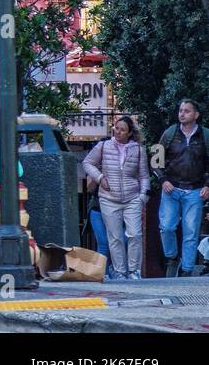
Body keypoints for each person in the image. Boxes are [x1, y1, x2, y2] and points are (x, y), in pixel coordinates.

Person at [83, 115, 148, 279]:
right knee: (115, 237)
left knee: (135, 234)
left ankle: (134, 271)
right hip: (108, 198)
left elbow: (144, 176)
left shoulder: (138, 149)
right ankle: (119, 271)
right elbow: (87, 163)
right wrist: (100, 178)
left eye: (122, 130)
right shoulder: (103, 146)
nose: (118, 132)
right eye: (116, 128)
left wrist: (142, 198)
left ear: (130, 133)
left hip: (132, 198)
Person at [154, 99, 209, 277]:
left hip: (195, 190)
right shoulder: (169, 133)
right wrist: (163, 180)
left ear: (196, 115)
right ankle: (172, 257)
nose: (182, 114)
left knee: (191, 232)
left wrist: (208, 185)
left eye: (186, 111)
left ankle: (186, 270)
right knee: (167, 227)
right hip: (171, 188)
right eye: (180, 111)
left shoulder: (205, 135)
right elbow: (155, 161)